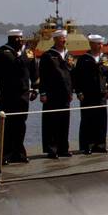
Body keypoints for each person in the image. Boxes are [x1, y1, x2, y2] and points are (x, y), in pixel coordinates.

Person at [0, 29, 36, 164]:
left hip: (24, 93)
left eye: (21, 38)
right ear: (11, 39)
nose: (21, 41)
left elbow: (34, 73)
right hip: (7, 93)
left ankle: (19, 152)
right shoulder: (1, 52)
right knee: (7, 124)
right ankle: (6, 154)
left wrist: (36, 89)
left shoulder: (28, 53)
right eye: (18, 39)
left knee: (21, 123)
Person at [72, 34, 108, 154]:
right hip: (88, 95)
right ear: (91, 44)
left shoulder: (105, 58)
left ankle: (100, 144)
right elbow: (76, 77)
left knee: (101, 121)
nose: (100, 46)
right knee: (87, 121)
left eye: (101, 44)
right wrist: (78, 92)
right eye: (98, 44)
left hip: (101, 95)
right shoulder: (84, 59)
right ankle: (86, 145)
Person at [39, 30, 73, 158]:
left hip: (65, 95)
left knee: (64, 122)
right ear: (55, 39)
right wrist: (42, 93)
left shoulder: (68, 55)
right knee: (51, 122)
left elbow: (71, 75)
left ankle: (63, 148)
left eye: (64, 38)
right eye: (61, 38)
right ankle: (51, 149)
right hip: (52, 94)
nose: (63, 40)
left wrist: (72, 91)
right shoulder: (48, 55)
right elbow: (42, 75)